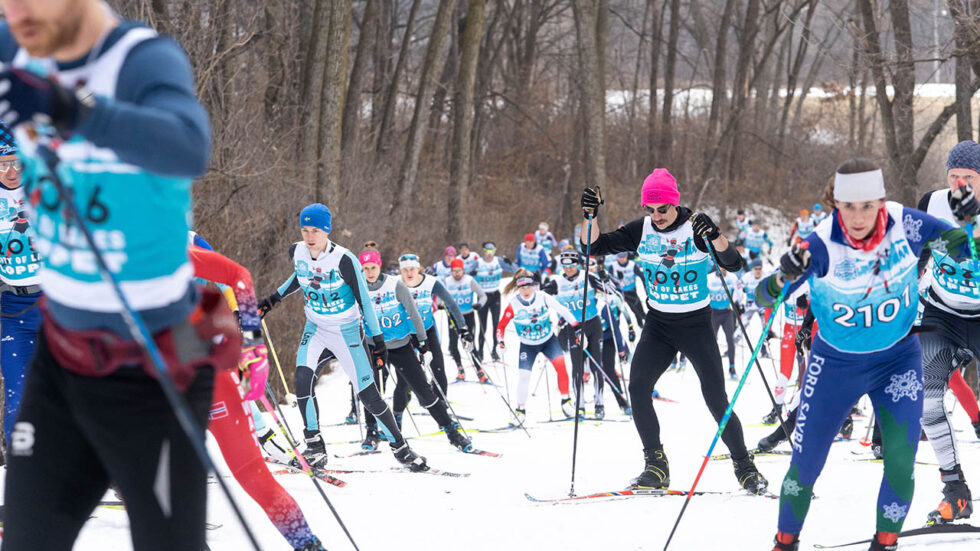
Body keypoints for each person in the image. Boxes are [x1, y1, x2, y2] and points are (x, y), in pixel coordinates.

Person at [0, 1, 233, 548]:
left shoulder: (139, 60)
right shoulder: (17, 43)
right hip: (62, 361)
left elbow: (188, 146)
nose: (13, 12)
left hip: (157, 363)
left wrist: (70, 109)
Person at [759, 158, 977, 551]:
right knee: (806, 464)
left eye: (868, 206)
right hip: (835, 366)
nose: (858, 218)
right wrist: (782, 275)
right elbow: (762, 295)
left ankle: (885, 544)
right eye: (848, 207)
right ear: (836, 205)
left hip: (897, 363)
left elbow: (965, 252)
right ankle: (784, 543)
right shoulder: (819, 244)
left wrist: (971, 219)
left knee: (900, 462)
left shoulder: (908, 225)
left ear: (881, 201)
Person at [579, 168, 768, 494]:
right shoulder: (641, 230)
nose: (656, 216)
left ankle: (745, 467)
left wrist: (716, 235)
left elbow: (734, 263)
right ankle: (656, 465)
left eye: (662, 209)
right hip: (659, 325)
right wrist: (589, 216)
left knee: (716, 399)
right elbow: (592, 247)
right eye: (650, 209)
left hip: (696, 325)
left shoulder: (695, 227)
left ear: (675, 203)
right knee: (638, 387)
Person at [258, 203, 426, 472]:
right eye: (304, 230)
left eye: (315, 230)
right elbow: (301, 276)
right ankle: (315, 446)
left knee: (369, 396)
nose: (309, 236)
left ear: (327, 230)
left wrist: (378, 342)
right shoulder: (297, 251)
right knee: (302, 381)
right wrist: (272, 299)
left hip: (347, 331)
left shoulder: (344, 260)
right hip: (316, 328)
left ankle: (401, 448)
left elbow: (365, 301)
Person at [189, 237, 327, 551]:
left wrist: (252, 342)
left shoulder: (172, 247)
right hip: (155, 389)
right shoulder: (93, 257)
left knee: (254, 476)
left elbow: (236, 277)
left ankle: (308, 545)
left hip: (211, 379)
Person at [915, 139, 980, 525]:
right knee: (926, 401)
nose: (960, 184)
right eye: (953, 176)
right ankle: (955, 492)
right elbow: (918, 250)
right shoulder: (932, 202)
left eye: (968, 177)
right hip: (942, 312)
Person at [358, 244, 473, 452]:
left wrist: (422, 343)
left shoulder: (395, 285)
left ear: (380, 266)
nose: (370, 272)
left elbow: (414, 314)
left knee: (424, 390)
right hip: (374, 347)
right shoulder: (358, 288)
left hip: (400, 345)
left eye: (373, 267)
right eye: (365, 269)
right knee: (371, 390)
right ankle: (372, 432)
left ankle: (451, 431)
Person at [0, 124, 42, 450]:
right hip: (14, 310)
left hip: (59, 306)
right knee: (19, 398)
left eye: (16, 162)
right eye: (2, 165)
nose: (11, 172)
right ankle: (21, 471)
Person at [497, 269, 578, 421]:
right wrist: (500, 342)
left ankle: (566, 401)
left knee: (561, 366)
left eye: (528, 287)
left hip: (548, 341)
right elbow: (501, 326)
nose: (526, 291)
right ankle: (520, 410)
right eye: (522, 288)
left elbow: (563, 310)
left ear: (533, 286)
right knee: (524, 376)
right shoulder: (514, 304)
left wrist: (576, 327)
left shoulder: (543, 297)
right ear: (518, 288)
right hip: (528, 346)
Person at [397, 252, 469, 400]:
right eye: (405, 270)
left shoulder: (431, 282)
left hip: (427, 331)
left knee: (438, 370)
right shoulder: (395, 284)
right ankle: (405, 400)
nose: (409, 273)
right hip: (405, 334)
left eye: (412, 269)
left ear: (418, 268)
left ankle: (441, 404)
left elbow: (451, 304)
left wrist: (463, 328)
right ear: (400, 270)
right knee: (406, 376)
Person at [544, 250, 605, 418]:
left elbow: (608, 290)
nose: (568, 269)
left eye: (571, 265)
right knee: (577, 367)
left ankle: (599, 404)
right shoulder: (557, 282)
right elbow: (541, 297)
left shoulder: (587, 277)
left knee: (596, 366)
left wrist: (605, 280)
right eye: (565, 266)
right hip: (574, 327)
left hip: (593, 324)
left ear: (577, 264)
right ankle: (580, 405)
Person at [445, 257, 487, 382]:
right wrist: (440, 304)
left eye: (459, 271)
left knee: (470, 343)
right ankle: (460, 369)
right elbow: (439, 297)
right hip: (453, 317)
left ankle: (479, 371)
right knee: (453, 345)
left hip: (467, 316)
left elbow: (483, 295)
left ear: (463, 270)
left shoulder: (469, 280)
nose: (457, 274)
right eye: (454, 271)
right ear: (451, 271)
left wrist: (479, 304)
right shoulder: (447, 281)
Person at [474, 242, 518, 361]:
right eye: (487, 252)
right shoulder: (478, 262)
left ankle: (495, 351)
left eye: (492, 251)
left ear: (495, 251)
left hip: (495, 296)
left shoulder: (498, 261)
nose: (489, 254)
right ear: (483, 251)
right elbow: (464, 273)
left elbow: (516, 271)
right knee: (482, 325)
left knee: (496, 324)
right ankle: (480, 352)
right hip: (482, 296)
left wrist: (510, 264)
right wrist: (473, 275)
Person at [597, 290, 634, 416]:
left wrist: (630, 328)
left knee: (628, 358)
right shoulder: (591, 297)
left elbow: (625, 312)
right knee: (604, 371)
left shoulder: (614, 296)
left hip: (612, 334)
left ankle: (647, 387)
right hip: (596, 338)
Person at [707, 265, 740, 379]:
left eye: (724, 267)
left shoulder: (732, 278)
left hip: (727, 313)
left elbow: (738, 292)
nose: (723, 269)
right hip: (713, 313)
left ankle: (732, 367)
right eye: (720, 266)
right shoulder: (709, 278)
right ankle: (712, 368)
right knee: (712, 341)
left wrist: (739, 305)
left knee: (730, 340)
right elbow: (703, 294)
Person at [739, 258, 774, 359]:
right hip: (750, 304)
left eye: (760, 268)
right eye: (756, 269)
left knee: (766, 327)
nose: (758, 271)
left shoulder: (766, 276)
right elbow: (738, 289)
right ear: (752, 269)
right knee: (741, 326)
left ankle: (764, 349)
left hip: (762, 305)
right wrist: (740, 303)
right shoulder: (747, 277)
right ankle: (732, 346)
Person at [608, 251, 646, 326]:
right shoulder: (612, 266)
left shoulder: (632, 265)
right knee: (617, 313)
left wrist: (646, 288)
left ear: (627, 256)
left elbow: (642, 277)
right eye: (619, 257)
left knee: (639, 311)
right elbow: (609, 280)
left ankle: (641, 325)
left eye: (623, 257)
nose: (621, 259)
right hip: (619, 292)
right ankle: (616, 328)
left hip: (631, 292)